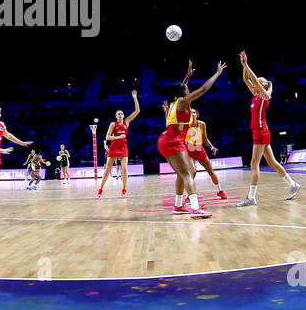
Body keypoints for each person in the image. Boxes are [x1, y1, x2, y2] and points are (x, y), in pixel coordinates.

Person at [157, 59, 227, 217]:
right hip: (173, 141)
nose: (188, 90)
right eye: (187, 89)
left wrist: (188, 75)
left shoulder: (176, 103)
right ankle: (195, 209)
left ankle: (178, 206)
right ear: (184, 93)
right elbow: (203, 89)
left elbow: (181, 87)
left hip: (166, 141)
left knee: (182, 174)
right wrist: (217, 73)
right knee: (189, 173)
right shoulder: (182, 102)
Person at [236, 52, 301, 204]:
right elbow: (246, 79)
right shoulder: (255, 95)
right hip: (259, 131)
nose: (254, 84)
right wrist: (243, 66)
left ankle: (251, 198)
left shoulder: (265, 95)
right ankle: (293, 184)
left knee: (254, 164)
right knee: (272, 162)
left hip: (261, 131)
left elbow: (253, 80)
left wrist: (246, 64)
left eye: (258, 82)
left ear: (263, 85)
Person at [98, 90, 140, 197]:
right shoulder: (113, 124)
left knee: (124, 170)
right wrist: (118, 137)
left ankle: (124, 189)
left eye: (122, 113)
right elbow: (107, 137)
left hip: (123, 148)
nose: (120, 114)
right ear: (116, 116)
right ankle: (100, 189)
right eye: (118, 113)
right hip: (113, 148)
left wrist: (134, 98)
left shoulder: (127, 122)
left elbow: (137, 110)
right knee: (107, 171)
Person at [185, 108, 229, 200]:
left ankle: (220, 191)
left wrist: (212, 147)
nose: (192, 114)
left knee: (211, 171)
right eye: (190, 113)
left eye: (194, 113)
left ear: (197, 115)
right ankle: (189, 195)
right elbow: (171, 125)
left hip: (199, 149)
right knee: (192, 172)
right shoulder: (186, 125)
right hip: (189, 150)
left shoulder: (202, 124)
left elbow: (204, 139)